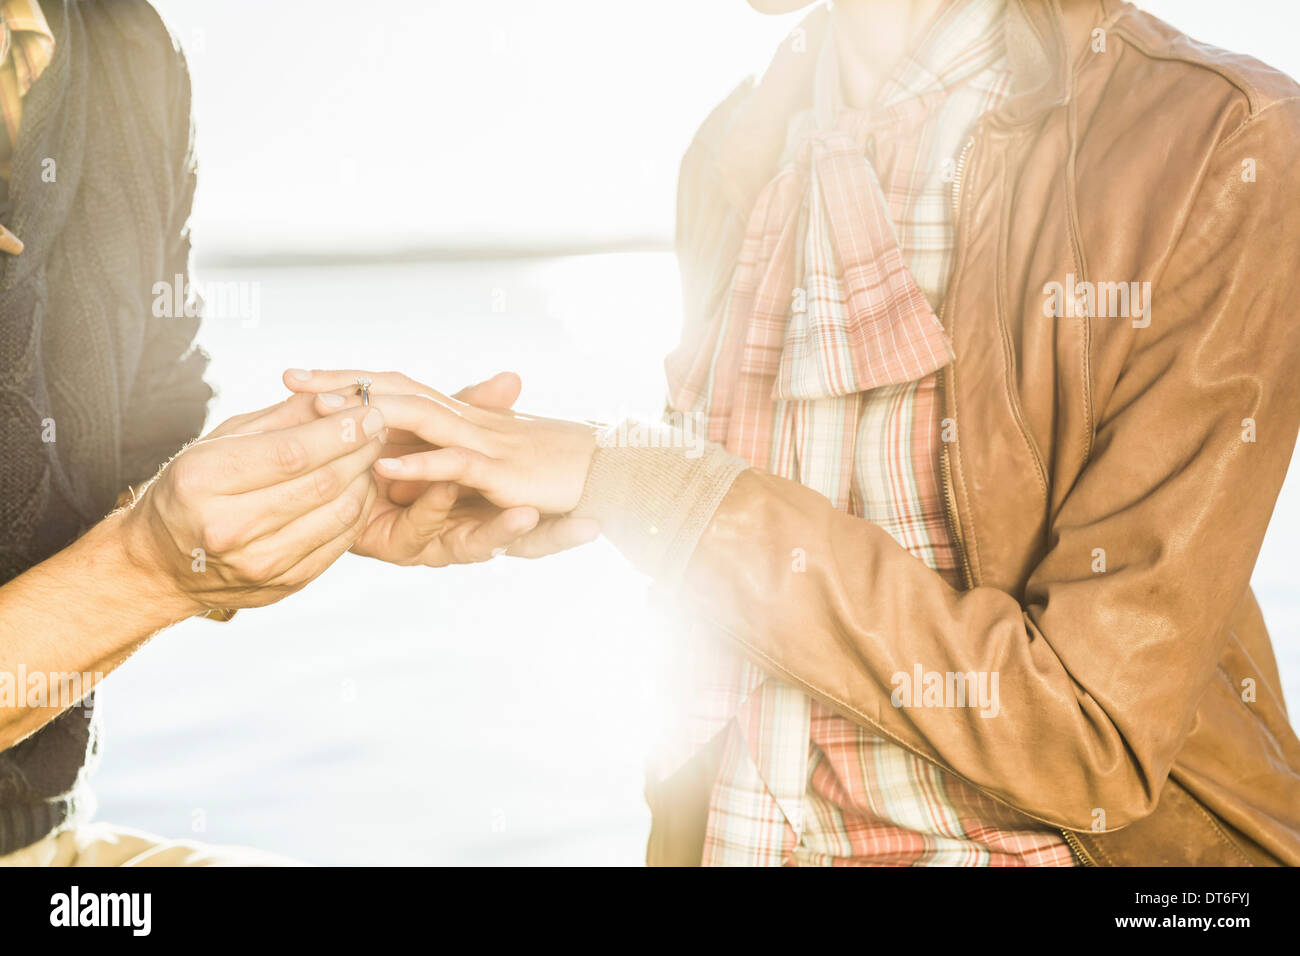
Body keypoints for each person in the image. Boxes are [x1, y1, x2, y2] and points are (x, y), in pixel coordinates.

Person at [289, 0, 1300, 866]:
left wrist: (639, 479)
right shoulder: (732, 148)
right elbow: (729, 601)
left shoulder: (1223, 139)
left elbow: (1088, 736)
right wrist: (557, 489)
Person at [0, 0, 591, 867]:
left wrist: (315, 490)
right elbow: (138, 560)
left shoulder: (128, 47)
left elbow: (135, 480)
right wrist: (150, 569)